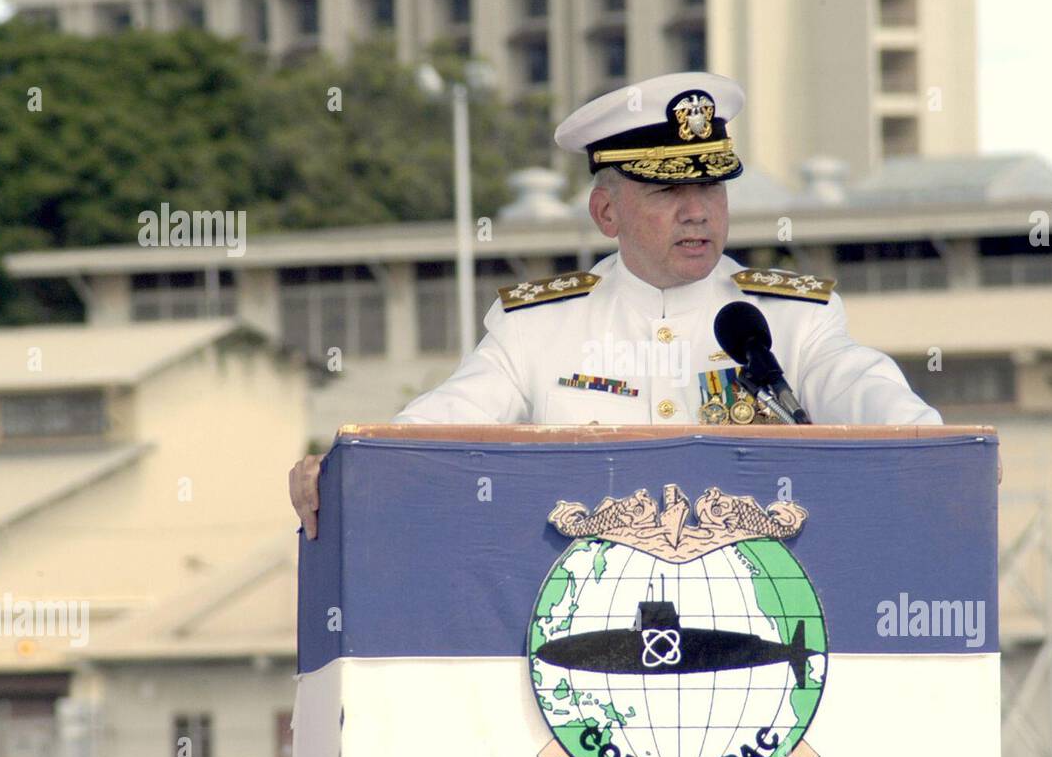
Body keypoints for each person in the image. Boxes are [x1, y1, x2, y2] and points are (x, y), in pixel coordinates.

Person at [290, 71, 941, 538]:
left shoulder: (788, 317)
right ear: (607, 211)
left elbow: (861, 382)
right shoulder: (540, 327)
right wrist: (353, 465)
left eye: (711, 187)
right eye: (667, 191)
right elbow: (451, 416)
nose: (696, 211)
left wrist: (936, 446)